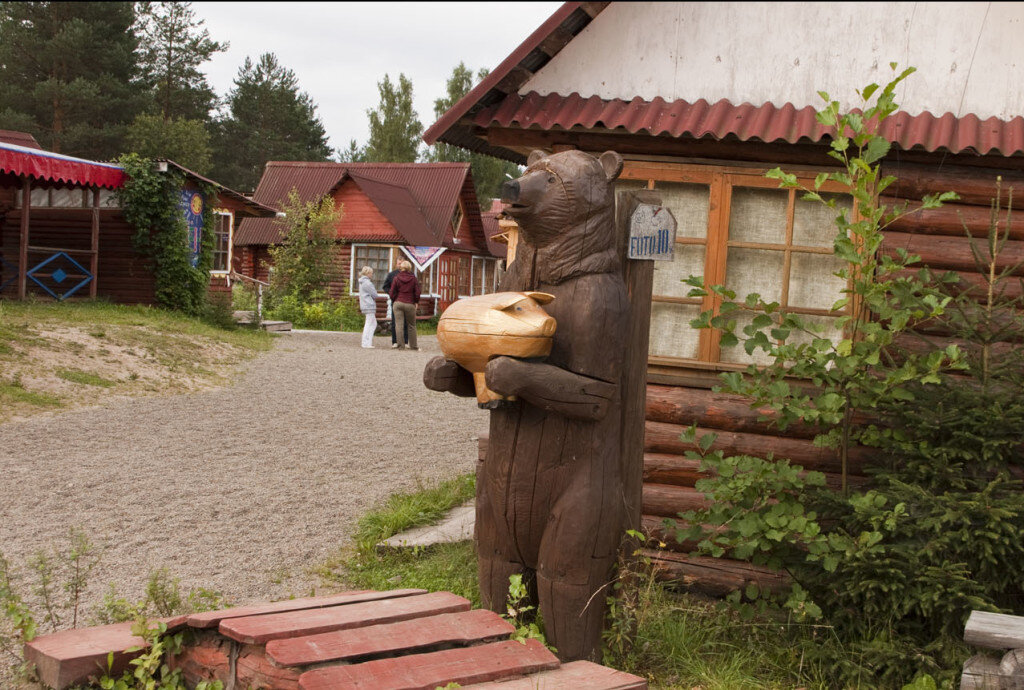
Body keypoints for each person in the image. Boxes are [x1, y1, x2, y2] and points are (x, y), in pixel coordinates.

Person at [388, 260, 420, 350]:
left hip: (398, 303)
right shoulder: (413, 278)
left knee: (399, 325)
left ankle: (400, 346)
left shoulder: (396, 278)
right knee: (411, 325)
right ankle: (413, 346)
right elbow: (417, 292)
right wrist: (416, 301)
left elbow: (392, 292)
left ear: (401, 267)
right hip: (410, 303)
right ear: (409, 268)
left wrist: (395, 299)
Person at [381, 266, 409, 347]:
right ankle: (395, 341)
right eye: (399, 263)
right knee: (395, 322)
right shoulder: (392, 275)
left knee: (406, 322)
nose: (401, 265)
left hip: (407, 301)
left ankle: (405, 341)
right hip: (395, 301)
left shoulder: (410, 275)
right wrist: (391, 294)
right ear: (397, 264)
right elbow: (385, 287)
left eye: (402, 263)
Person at [357, 266, 378, 348]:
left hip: (365, 304)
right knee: (369, 323)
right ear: (368, 273)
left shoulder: (362, 282)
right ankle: (365, 342)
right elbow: (374, 294)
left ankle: (367, 342)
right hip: (369, 305)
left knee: (373, 323)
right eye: (371, 273)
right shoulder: (367, 283)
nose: (372, 275)